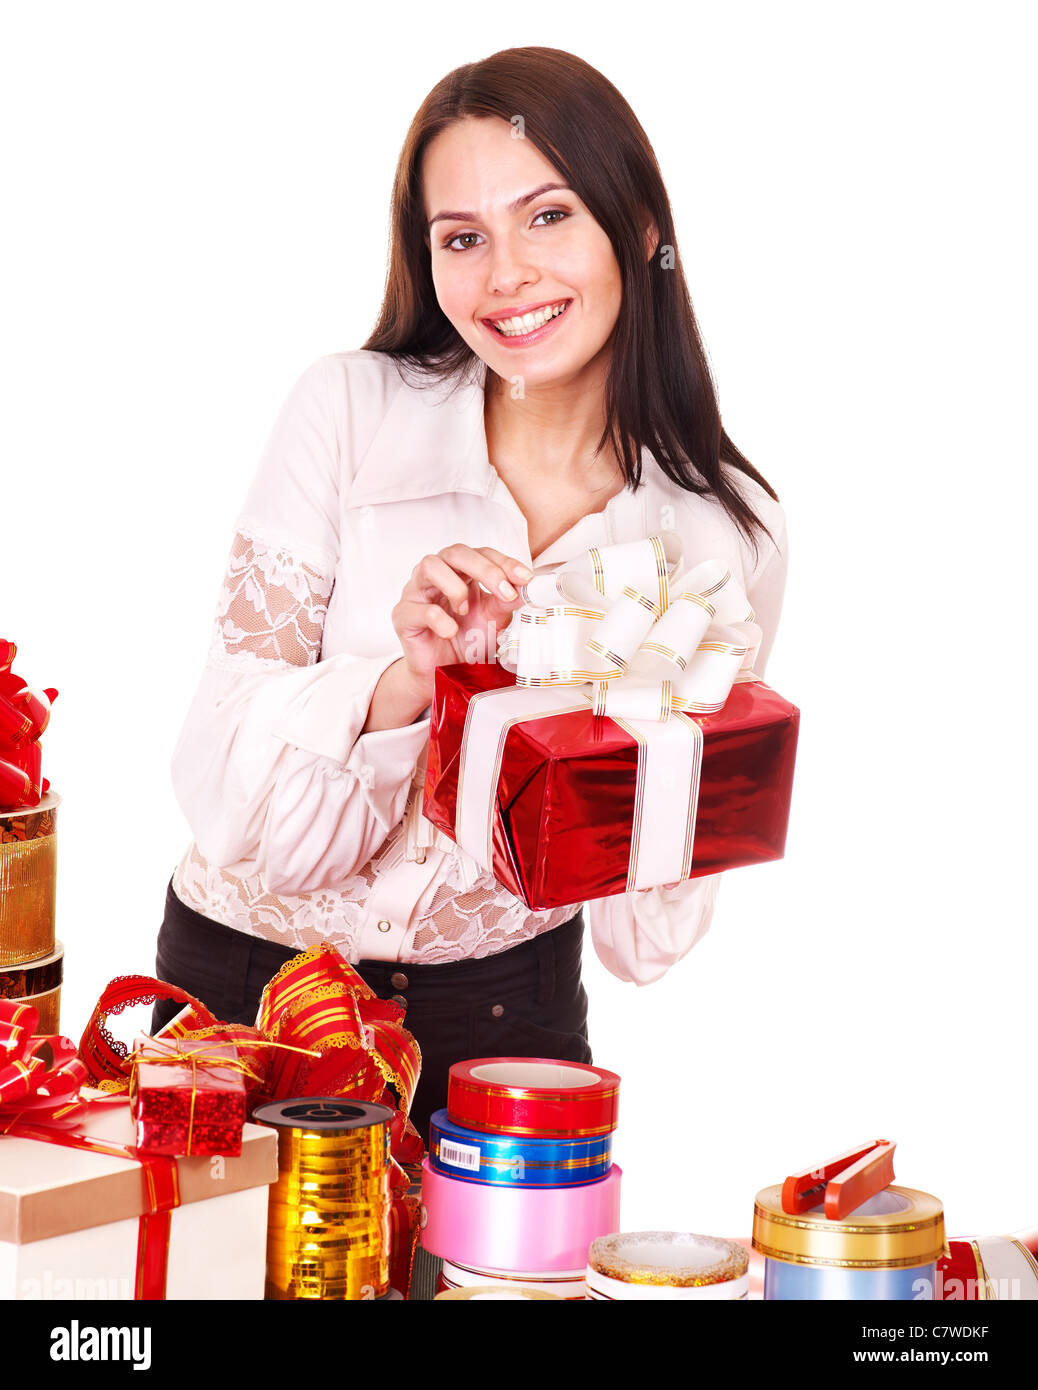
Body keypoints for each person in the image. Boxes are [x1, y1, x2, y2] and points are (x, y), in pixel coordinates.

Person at [151, 46, 787, 1141]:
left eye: (548, 217)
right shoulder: (347, 410)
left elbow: (646, 945)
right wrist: (408, 683)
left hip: (509, 1016)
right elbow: (224, 795)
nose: (506, 277)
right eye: (463, 238)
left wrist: (654, 750)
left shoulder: (723, 534)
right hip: (242, 996)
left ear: (640, 228)